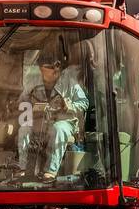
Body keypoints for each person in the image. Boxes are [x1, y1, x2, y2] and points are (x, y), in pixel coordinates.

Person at [17, 53, 89, 181]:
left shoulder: (69, 83)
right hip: (40, 123)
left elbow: (84, 103)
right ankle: (24, 169)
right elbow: (22, 101)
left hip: (65, 122)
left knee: (58, 128)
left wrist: (69, 106)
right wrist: (28, 107)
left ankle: (50, 171)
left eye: (57, 67)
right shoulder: (33, 83)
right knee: (24, 129)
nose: (55, 70)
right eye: (50, 67)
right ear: (41, 68)